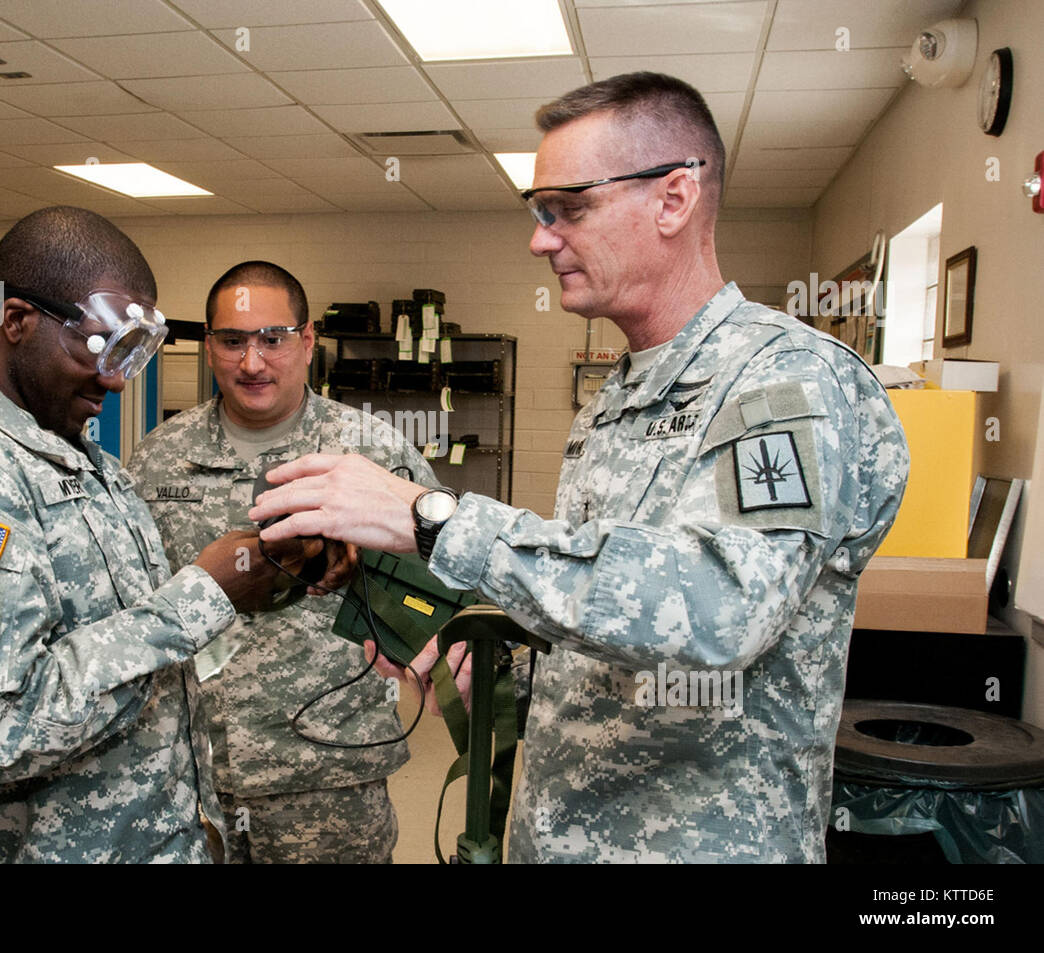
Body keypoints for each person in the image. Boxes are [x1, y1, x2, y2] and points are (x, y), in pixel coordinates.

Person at [250, 73, 910, 863]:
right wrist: (507, 662)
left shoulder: (784, 381)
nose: (540, 238)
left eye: (570, 207)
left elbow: (720, 607)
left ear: (674, 199)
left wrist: (434, 518)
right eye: (538, 211)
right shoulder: (614, 400)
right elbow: (611, 599)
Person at [0, 207, 322, 863]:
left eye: (133, 353)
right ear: (17, 321)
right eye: (101, 347)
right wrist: (201, 595)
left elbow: (128, 647)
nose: (114, 379)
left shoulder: (72, 456)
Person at [128, 261, 436, 863]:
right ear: (209, 345)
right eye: (233, 340)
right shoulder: (160, 458)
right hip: (195, 772)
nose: (252, 362)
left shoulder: (371, 451)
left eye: (273, 338)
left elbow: (432, 580)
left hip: (328, 774)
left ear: (309, 340)